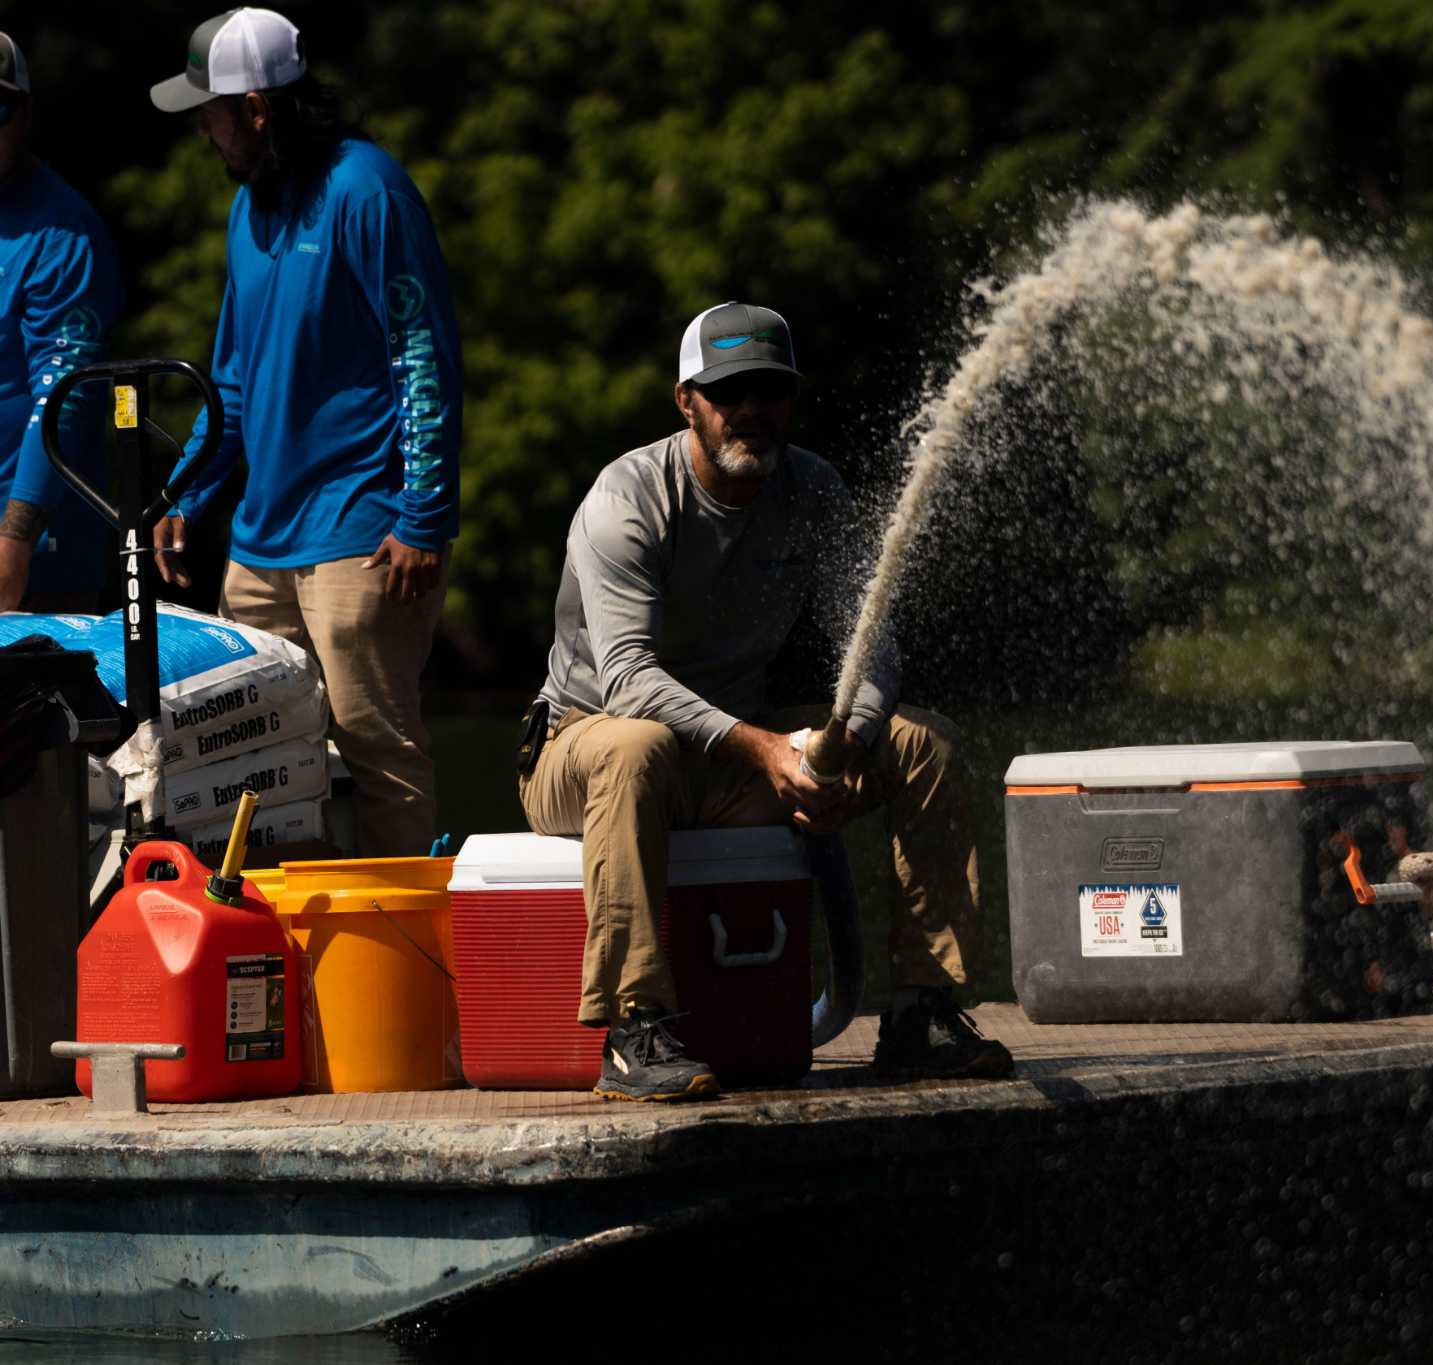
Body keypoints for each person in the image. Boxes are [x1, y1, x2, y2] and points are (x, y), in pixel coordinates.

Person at [519, 301, 1012, 1101]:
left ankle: (922, 1008)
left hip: (728, 757)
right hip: (582, 749)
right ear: (687, 402)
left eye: (770, 390)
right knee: (634, 741)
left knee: (926, 743)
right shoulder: (628, 498)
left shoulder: (814, 490)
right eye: (728, 391)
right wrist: (771, 751)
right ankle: (633, 1027)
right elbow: (627, 681)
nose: (750, 409)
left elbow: (875, 644)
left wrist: (842, 744)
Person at [148, 8, 461, 856]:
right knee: (246, 760)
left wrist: (423, 515)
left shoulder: (369, 189)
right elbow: (238, 382)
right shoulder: (249, 211)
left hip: (364, 532)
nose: (203, 132)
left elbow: (422, 354)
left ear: (255, 108)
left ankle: (396, 976)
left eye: (209, 112)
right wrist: (187, 492)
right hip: (260, 545)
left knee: (379, 756)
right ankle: (282, 968)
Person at [0, 32, 121, 614]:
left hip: (35, 554)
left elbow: (61, 395)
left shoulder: (65, 233)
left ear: (24, 113)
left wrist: (14, 537)